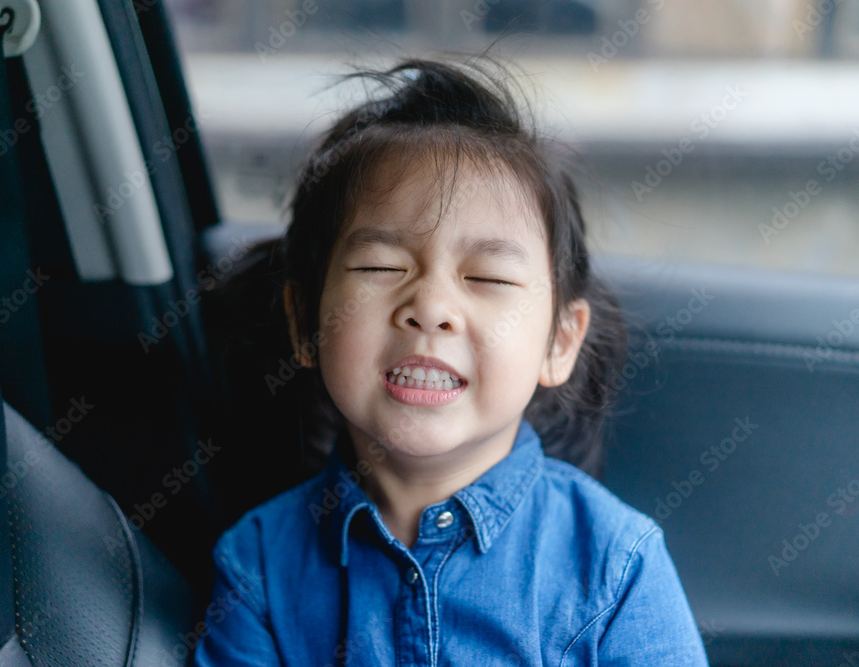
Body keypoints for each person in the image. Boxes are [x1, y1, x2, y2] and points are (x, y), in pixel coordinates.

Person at [193, 57, 708, 666]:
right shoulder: (258, 566)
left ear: (559, 342)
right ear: (305, 322)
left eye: (488, 276)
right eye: (381, 267)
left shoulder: (616, 566)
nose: (431, 306)